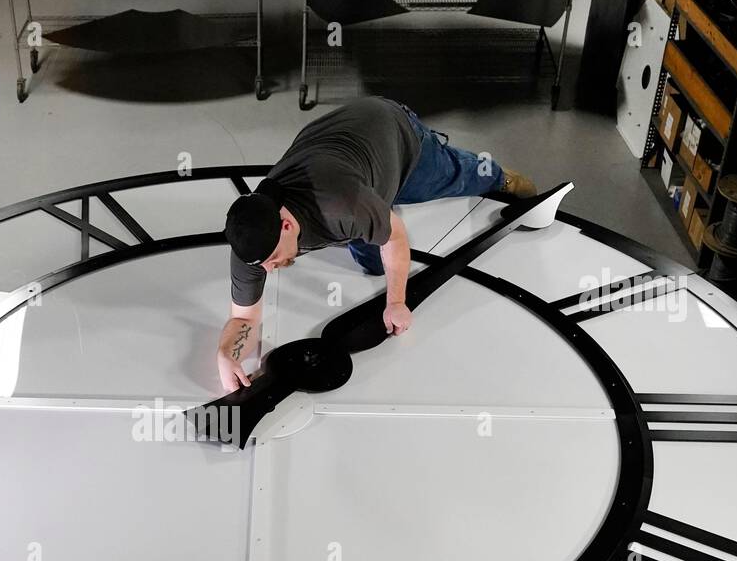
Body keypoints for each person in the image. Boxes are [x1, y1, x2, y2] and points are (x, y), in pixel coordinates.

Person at [219, 97, 537, 391]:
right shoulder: (251, 244)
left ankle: (502, 177)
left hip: (393, 133)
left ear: (286, 225)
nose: (269, 269)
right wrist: (226, 355)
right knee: (372, 262)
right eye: (263, 265)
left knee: (453, 176)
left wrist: (396, 302)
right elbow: (244, 319)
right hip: (345, 157)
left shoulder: (341, 207)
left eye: (274, 258)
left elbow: (396, 237)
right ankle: (379, 205)